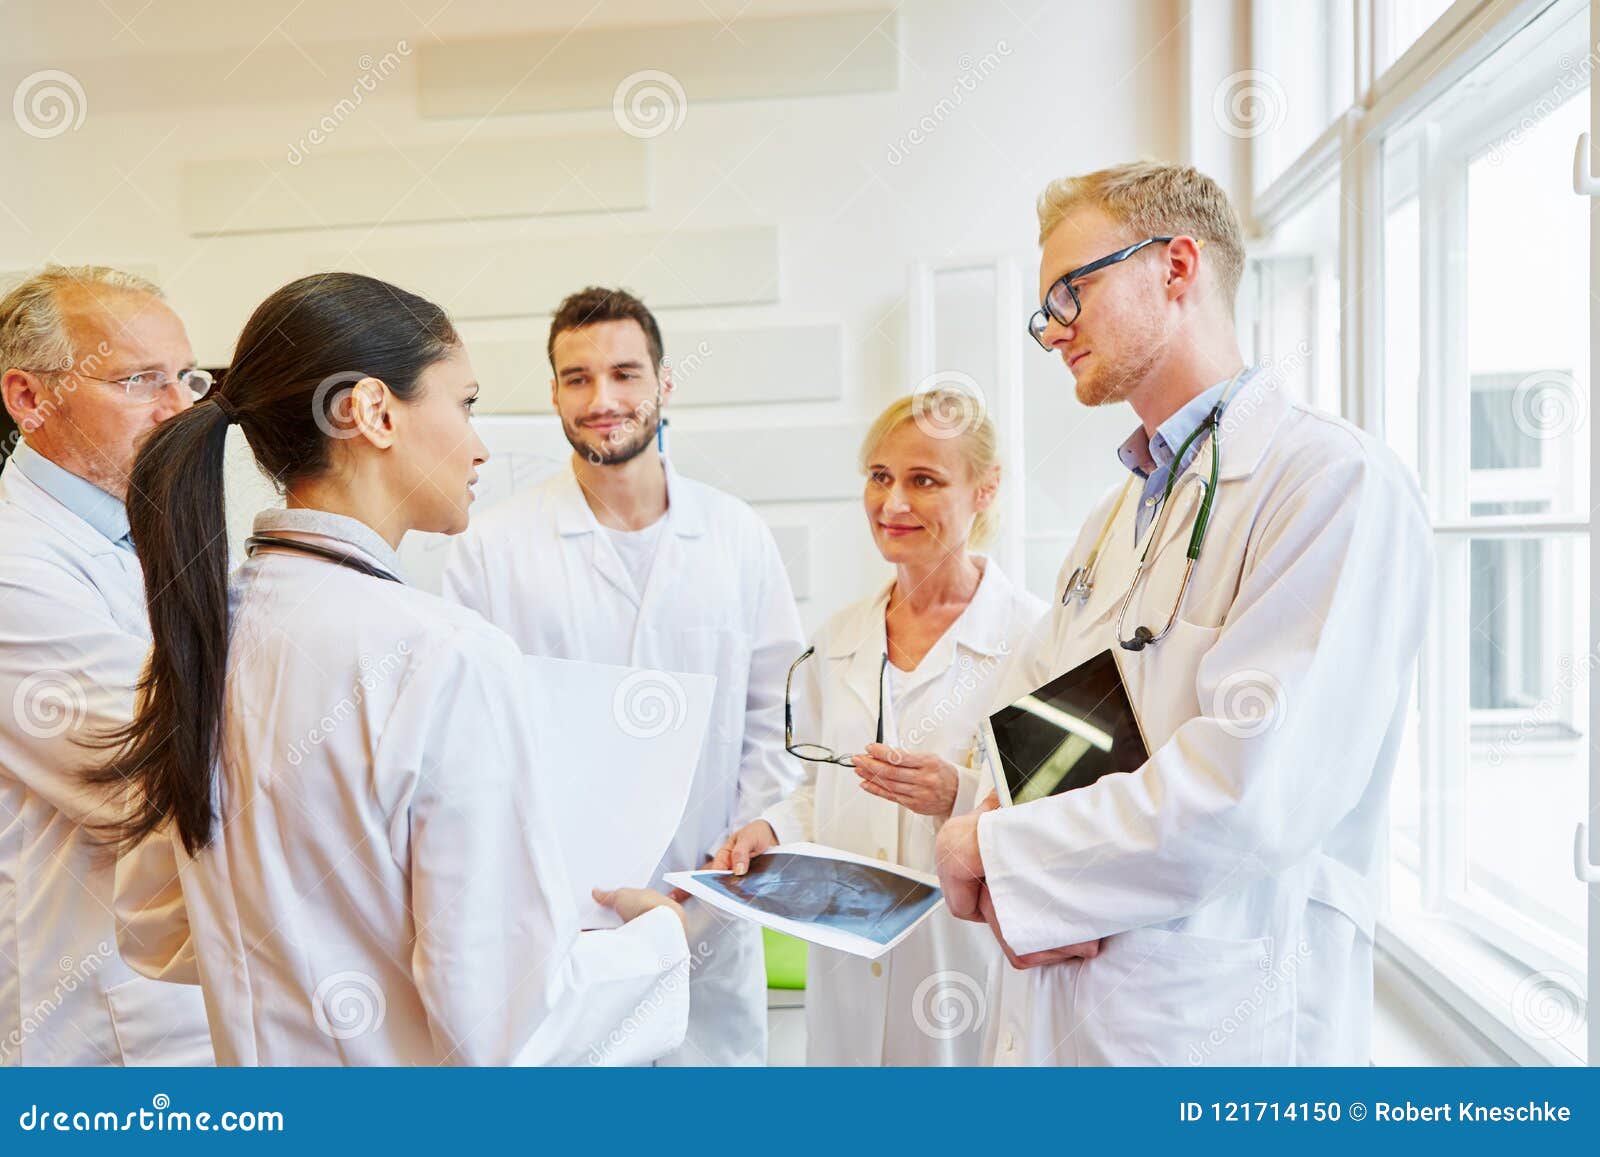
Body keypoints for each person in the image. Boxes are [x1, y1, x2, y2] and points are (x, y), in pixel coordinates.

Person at [94, 272, 691, 1066]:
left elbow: (153, 921)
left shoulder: (200, 635)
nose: (479, 445)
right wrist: (659, 943)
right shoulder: (444, 654)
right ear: (374, 411)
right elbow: (506, 1031)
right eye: (465, 403)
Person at [934, 161, 1432, 1066]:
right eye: (1045, 310)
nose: (1054, 330)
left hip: (1220, 1024)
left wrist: (1002, 854)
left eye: (1070, 291)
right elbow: (1032, 721)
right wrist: (1002, 840)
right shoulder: (1115, 516)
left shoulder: (1329, 482)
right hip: (1075, 1001)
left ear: (1176, 266)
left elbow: (1250, 791)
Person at [442, 286, 803, 1066]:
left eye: (625, 374)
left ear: (664, 382)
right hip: (559, 928)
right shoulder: (490, 549)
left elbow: (777, 717)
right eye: (578, 378)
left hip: (710, 913)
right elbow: (467, 741)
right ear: (553, 393)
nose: (602, 399)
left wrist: (743, 848)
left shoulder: (737, 536)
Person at [717, 391, 1044, 1065]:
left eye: (923, 480)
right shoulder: (838, 638)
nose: (892, 503)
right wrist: (772, 828)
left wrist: (957, 794)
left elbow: (1060, 810)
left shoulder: (1034, 638)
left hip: (966, 973)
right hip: (846, 976)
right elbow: (824, 788)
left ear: (985, 489)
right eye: (879, 476)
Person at [0, 265, 212, 1065]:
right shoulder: (15, 565)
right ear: (28, 398)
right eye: (139, 380)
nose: (178, 408)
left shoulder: (150, 524)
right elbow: (156, 767)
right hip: (98, 1017)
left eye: (186, 378)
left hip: (182, 993)